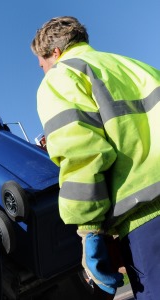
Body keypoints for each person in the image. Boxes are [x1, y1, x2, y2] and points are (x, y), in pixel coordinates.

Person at [32, 16, 160, 297]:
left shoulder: (63, 75)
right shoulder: (138, 67)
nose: (43, 72)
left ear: (54, 53)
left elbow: (82, 155)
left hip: (148, 219)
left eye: (41, 65)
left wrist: (89, 229)